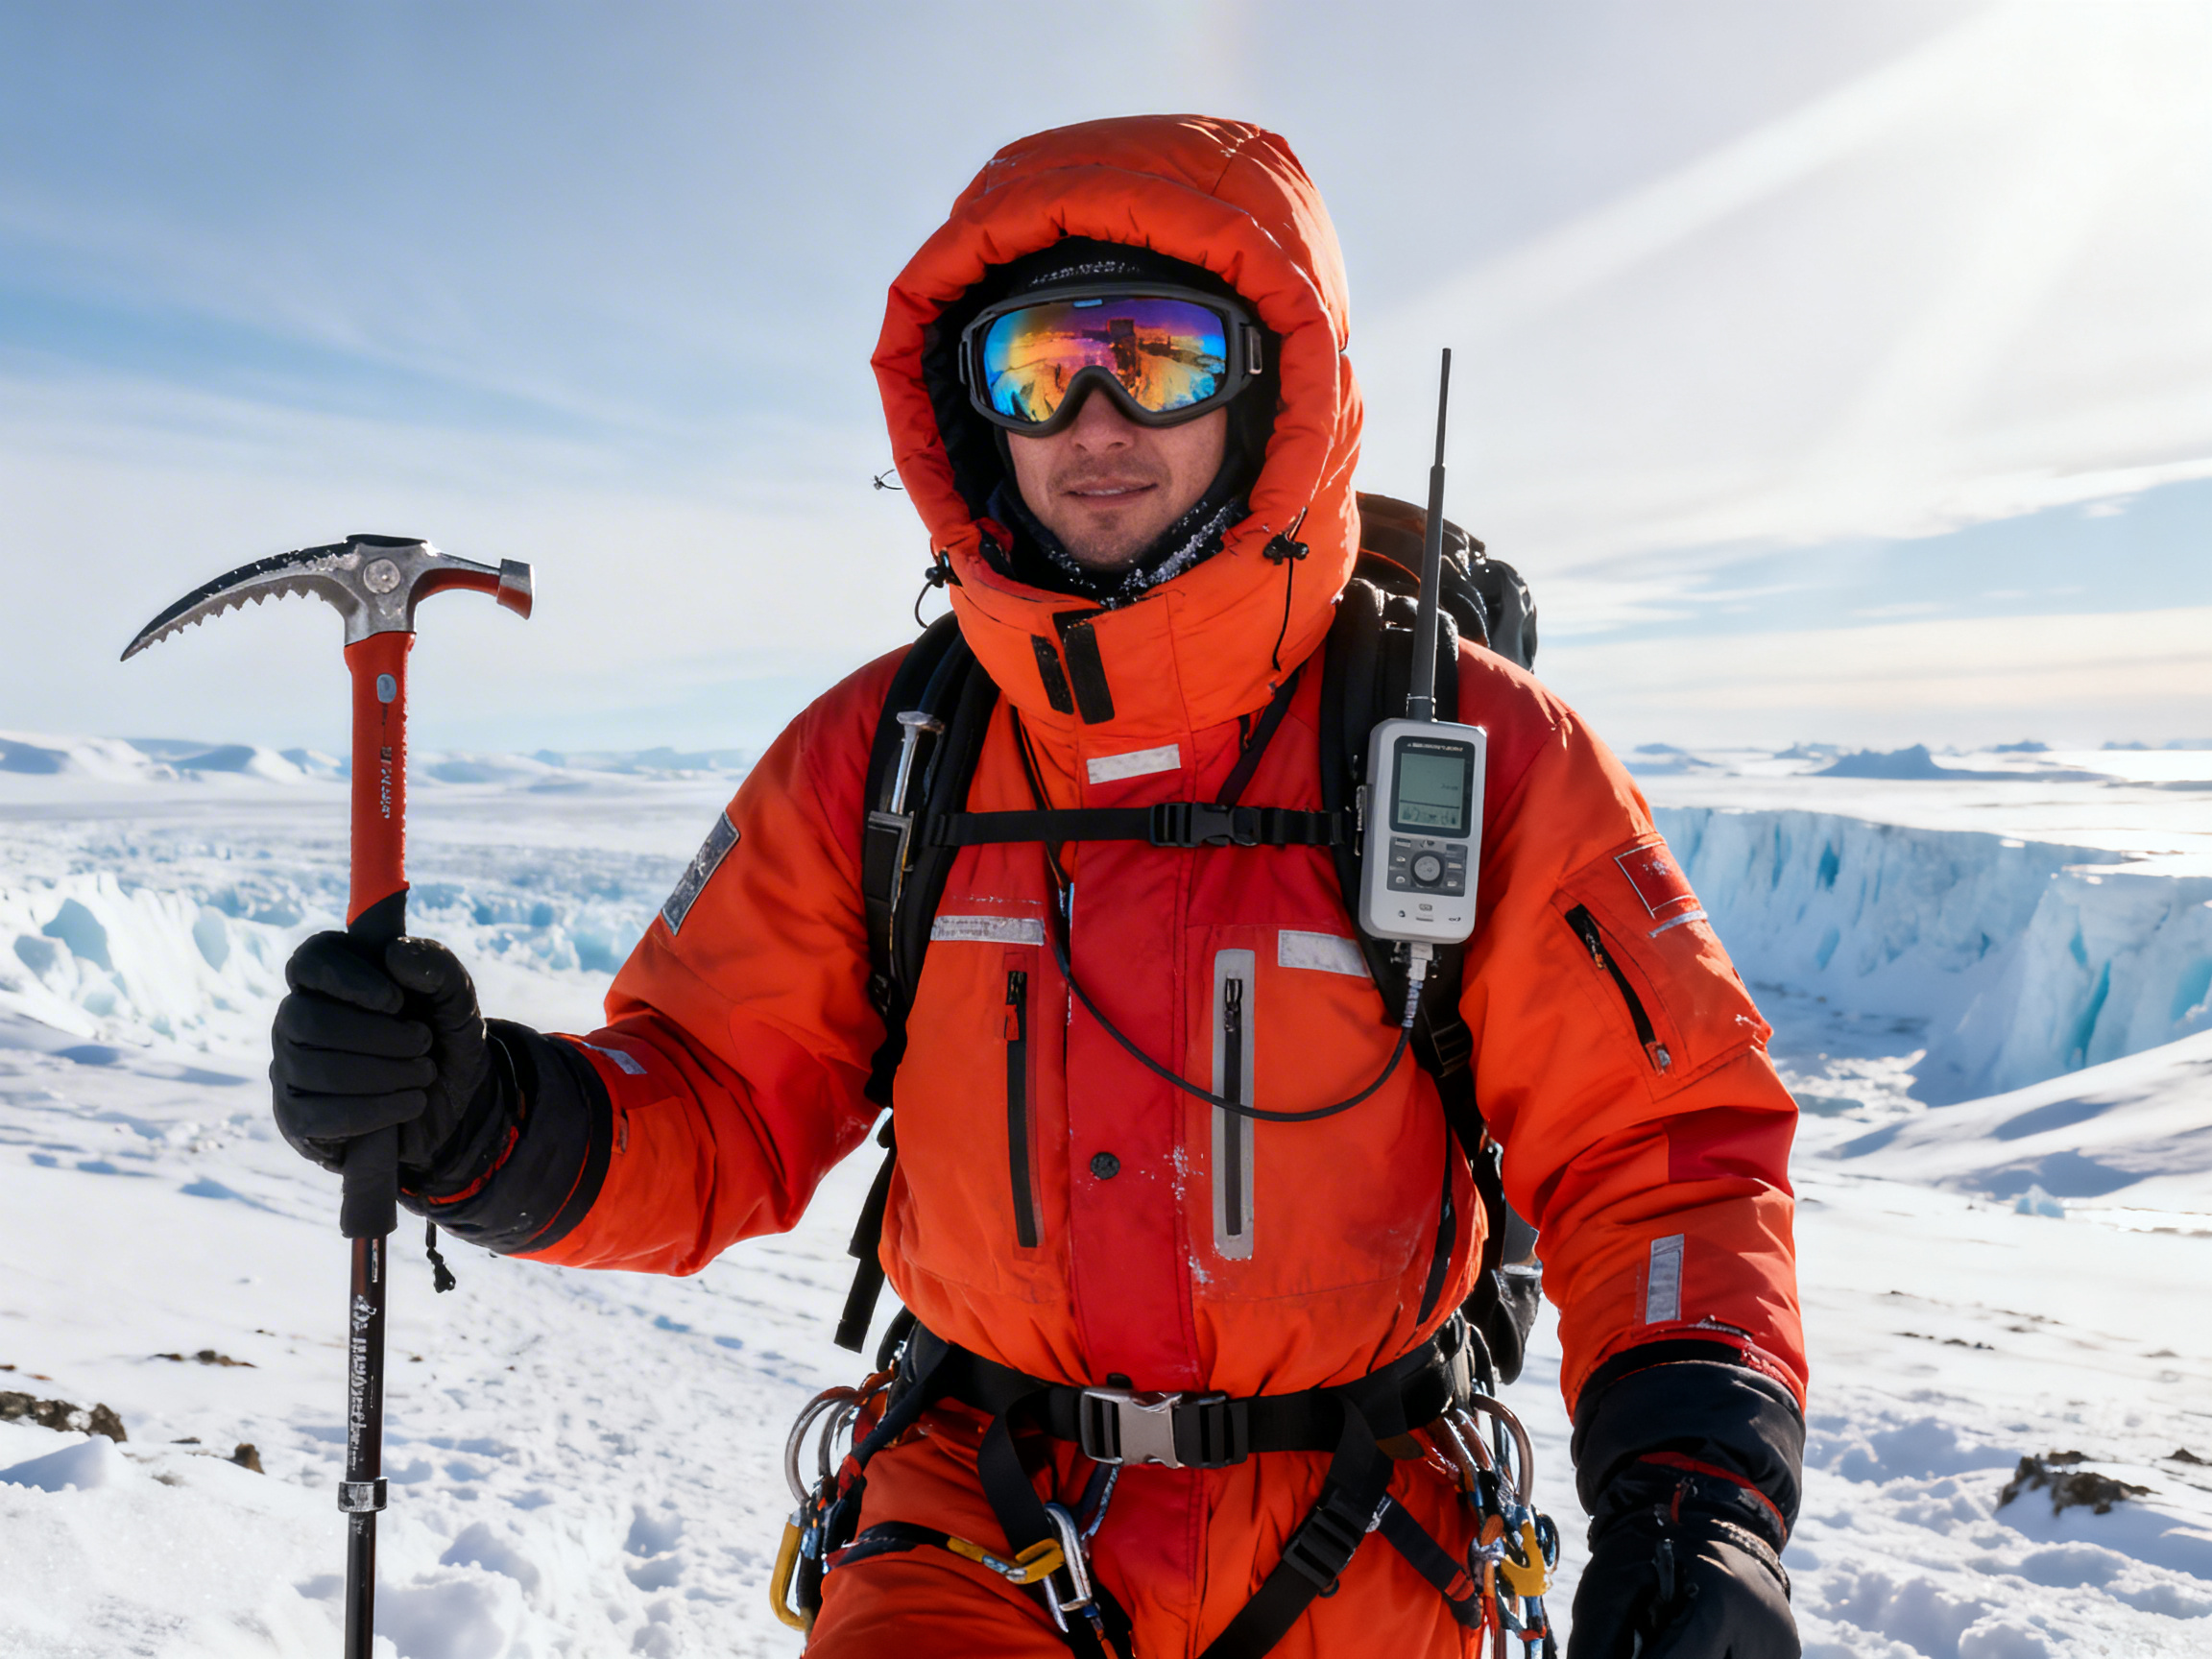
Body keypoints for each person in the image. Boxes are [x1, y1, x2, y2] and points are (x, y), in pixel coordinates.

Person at [270, 115, 1806, 1658]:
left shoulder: (1475, 748)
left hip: (1368, 1542)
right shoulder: (882, 753)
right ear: (971, 409)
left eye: (1157, 356)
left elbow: (1660, 1153)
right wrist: (483, 1122)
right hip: (979, 1526)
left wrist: (1700, 1508)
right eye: (1039, 365)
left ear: (1274, 377)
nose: (1093, 418)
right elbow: (719, 1096)